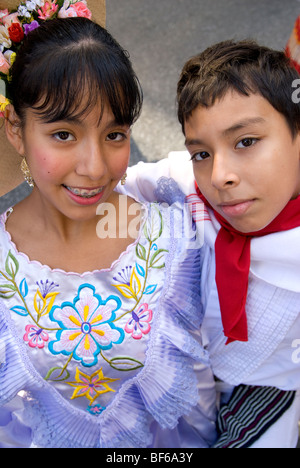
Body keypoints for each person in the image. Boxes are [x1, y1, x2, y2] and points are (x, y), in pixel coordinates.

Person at [0, 5, 217, 448]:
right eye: (64, 134)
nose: (95, 167)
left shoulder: (177, 239)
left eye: (115, 134)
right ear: (17, 130)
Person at [118, 40, 300, 448]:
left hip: (270, 390)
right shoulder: (186, 183)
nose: (220, 176)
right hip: (187, 370)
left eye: (246, 142)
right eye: (201, 152)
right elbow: (113, 188)